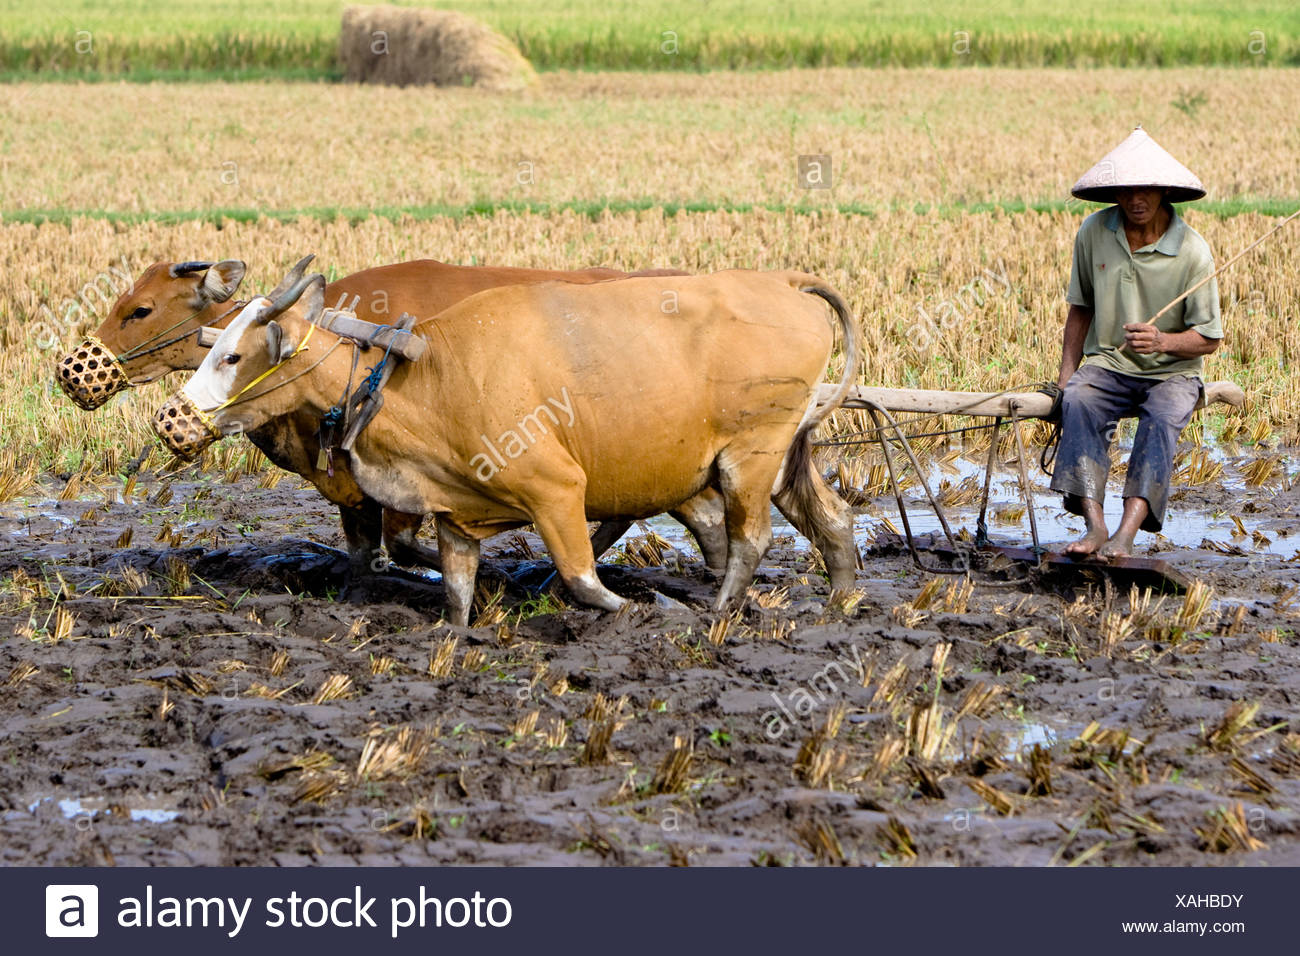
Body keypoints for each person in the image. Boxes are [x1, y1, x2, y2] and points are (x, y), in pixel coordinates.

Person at [1051, 126, 1223, 558]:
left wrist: (1162, 340)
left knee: (1161, 419)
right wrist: (1067, 374)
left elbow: (1208, 339)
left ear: (1164, 191)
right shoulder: (1094, 232)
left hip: (1173, 373)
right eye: (1126, 191)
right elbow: (1080, 308)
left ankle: (1125, 536)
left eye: (1145, 191)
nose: (1136, 201)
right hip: (1109, 363)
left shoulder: (1192, 252)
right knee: (1079, 399)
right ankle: (1094, 528)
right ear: (1116, 194)